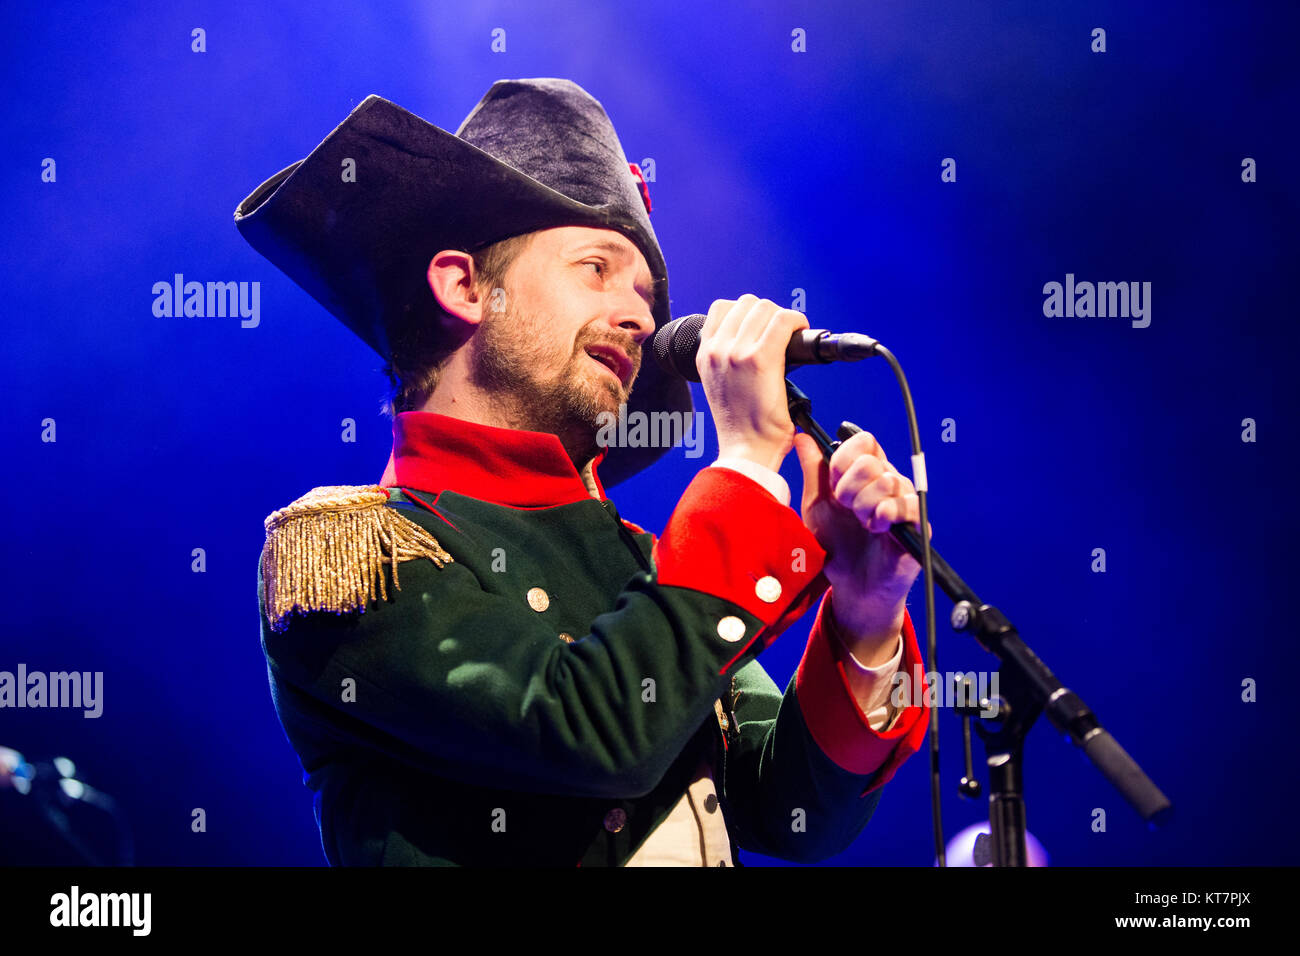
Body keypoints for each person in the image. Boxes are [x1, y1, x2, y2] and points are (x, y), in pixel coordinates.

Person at [237, 78, 931, 866]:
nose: (641, 317)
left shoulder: (643, 565)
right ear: (465, 286)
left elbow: (794, 815)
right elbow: (588, 733)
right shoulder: (351, 557)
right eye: (596, 268)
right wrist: (741, 474)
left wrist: (866, 612)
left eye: (644, 293)